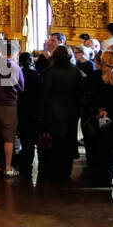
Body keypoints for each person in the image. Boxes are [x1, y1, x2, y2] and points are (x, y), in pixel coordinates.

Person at [81, 49, 113, 184]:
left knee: (104, 145)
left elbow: (89, 96)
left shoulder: (95, 76)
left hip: (101, 116)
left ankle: (105, 175)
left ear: (102, 61)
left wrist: (100, 109)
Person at [38, 46, 83, 181]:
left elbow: (45, 93)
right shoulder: (76, 71)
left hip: (53, 110)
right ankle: (65, 171)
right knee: (68, 140)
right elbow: (79, 93)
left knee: (54, 141)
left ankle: (53, 171)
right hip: (71, 110)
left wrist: (41, 112)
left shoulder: (51, 71)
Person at [0, 39, 23, 177]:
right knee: (9, 138)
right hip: (9, 105)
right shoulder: (15, 68)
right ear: (13, 54)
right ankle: (7, 167)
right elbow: (21, 87)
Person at [16, 51, 43, 175]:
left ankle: (24, 163)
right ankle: (28, 163)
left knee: (24, 137)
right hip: (34, 110)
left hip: (21, 109)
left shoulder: (18, 74)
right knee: (31, 140)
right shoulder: (37, 75)